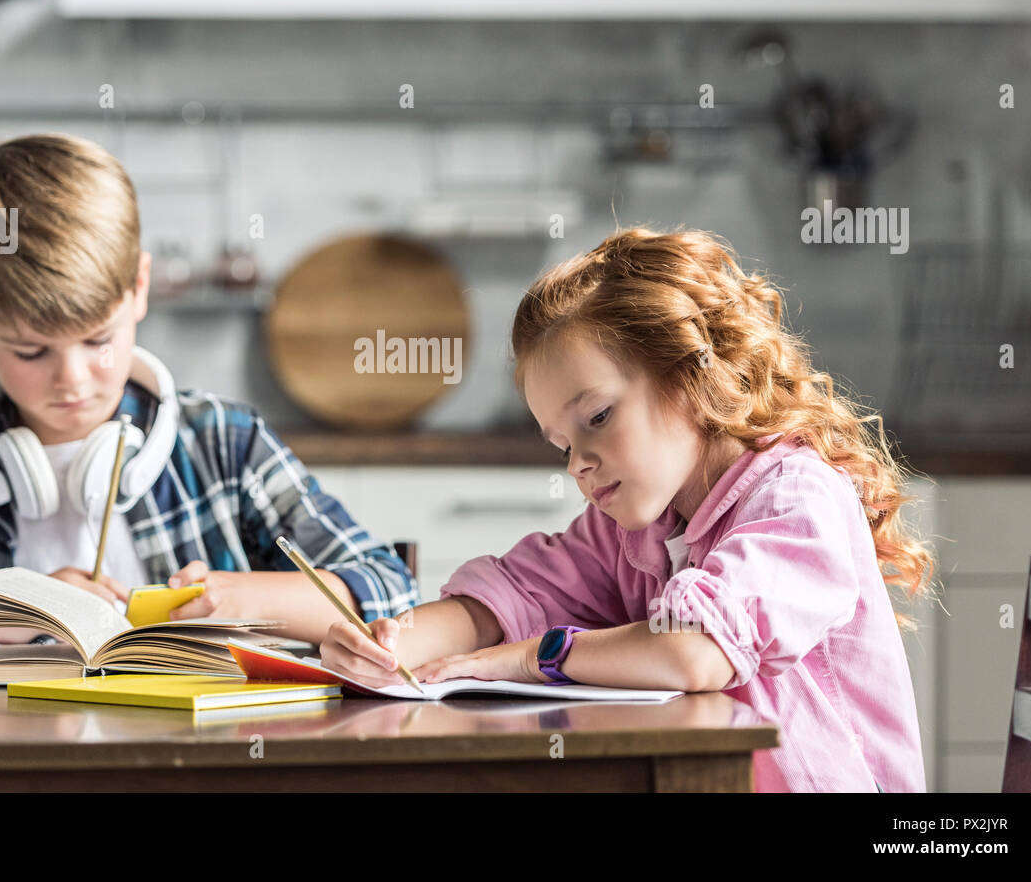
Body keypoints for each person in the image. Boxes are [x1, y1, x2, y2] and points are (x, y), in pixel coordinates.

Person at [320, 225, 935, 792]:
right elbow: (509, 597)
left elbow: (692, 650)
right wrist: (395, 648)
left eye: (597, 418)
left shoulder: (795, 497)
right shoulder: (638, 530)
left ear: (689, 374)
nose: (577, 464)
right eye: (562, 444)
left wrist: (534, 657)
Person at [0, 133, 417, 655]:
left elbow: (390, 583)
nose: (72, 378)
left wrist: (248, 598)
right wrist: (5, 606)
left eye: (98, 340)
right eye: (30, 351)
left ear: (138, 289)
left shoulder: (224, 442)